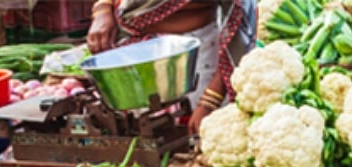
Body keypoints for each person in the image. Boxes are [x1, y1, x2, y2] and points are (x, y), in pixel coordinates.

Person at [86, 0, 256, 133]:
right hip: (132, 59)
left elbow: (241, 22)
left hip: (191, 59)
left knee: (192, 146)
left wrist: (210, 100)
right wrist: (102, 10)